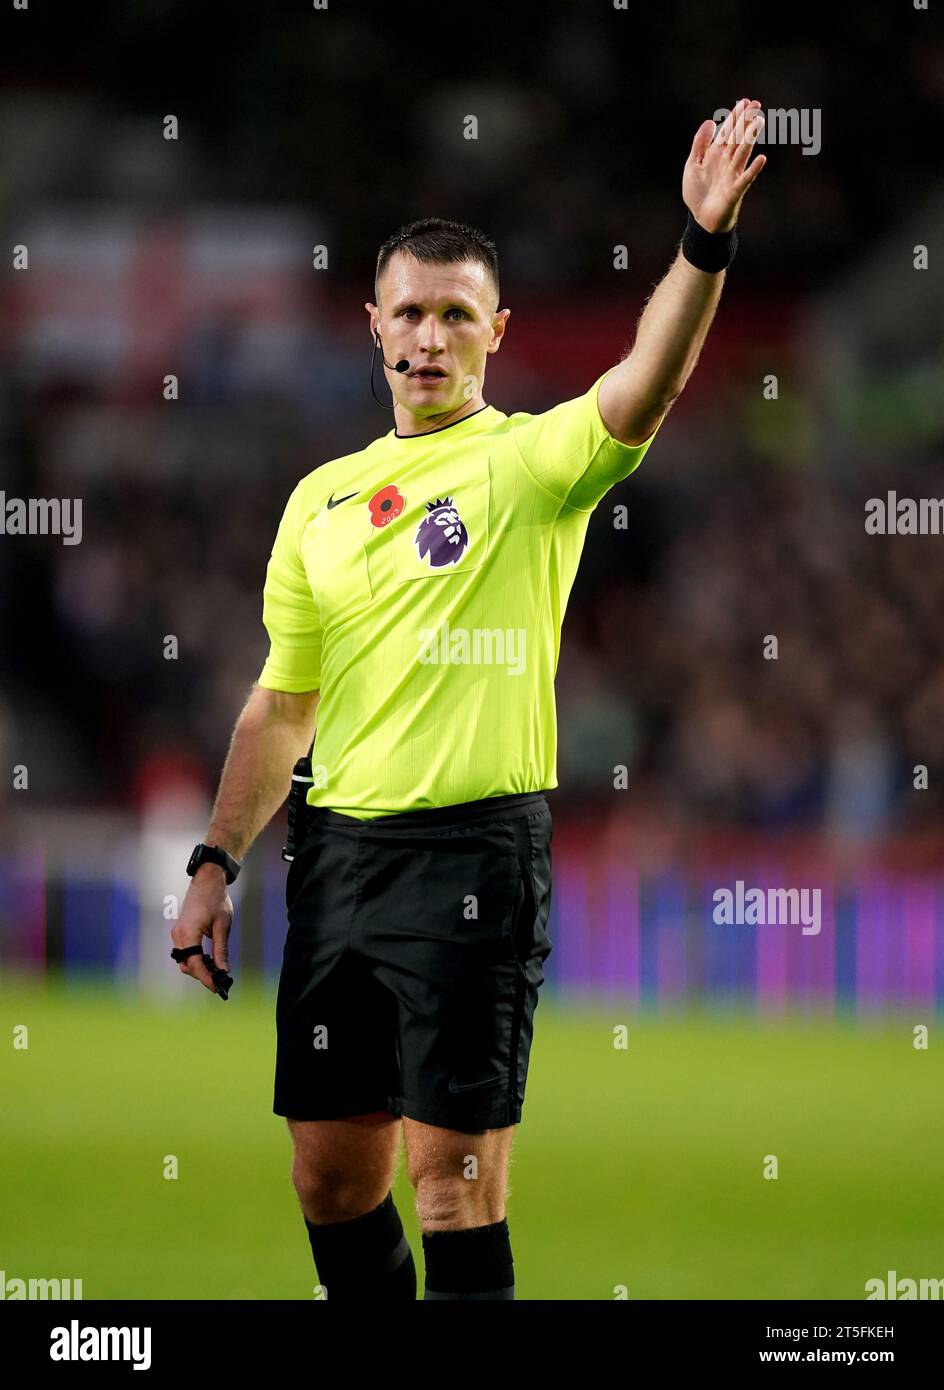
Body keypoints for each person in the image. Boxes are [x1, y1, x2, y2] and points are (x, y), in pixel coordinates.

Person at [171, 98, 766, 1300]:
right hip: (337, 862)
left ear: (496, 329)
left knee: (450, 1185)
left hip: (471, 861)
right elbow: (282, 705)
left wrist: (699, 241)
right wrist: (214, 861)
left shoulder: (528, 463)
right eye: (409, 312)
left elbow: (641, 389)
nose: (430, 337)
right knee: (332, 1181)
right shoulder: (319, 502)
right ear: (373, 326)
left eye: (456, 314)